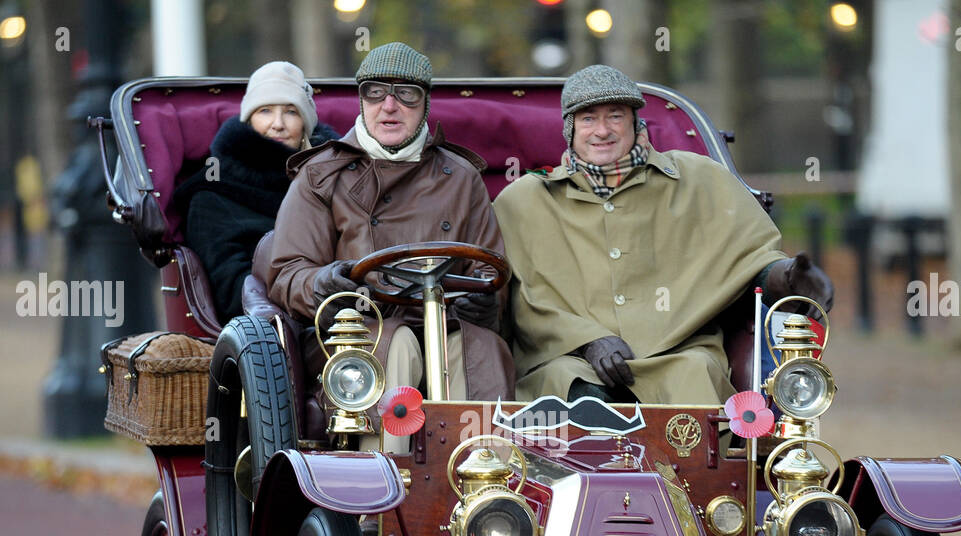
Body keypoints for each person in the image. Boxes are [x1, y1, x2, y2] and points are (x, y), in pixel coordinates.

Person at [493, 65, 834, 406]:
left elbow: (750, 258)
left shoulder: (698, 178)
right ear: (569, 129)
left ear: (636, 123)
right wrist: (587, 341)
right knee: (565, 387)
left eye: (615, 116)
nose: (602, 131)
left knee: (696, 371)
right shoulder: (524, 201)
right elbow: (519, 301)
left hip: (681, 353)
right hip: (570, 361)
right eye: (587, 119)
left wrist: (788, 277)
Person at [266, 41, 515, 428]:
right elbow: (287, 273)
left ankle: (484, 473)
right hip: (353, 329)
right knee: (392, 344)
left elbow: (489, 268)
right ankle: (381, 475)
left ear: (426, 104)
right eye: (375, 92)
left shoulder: (461, 176)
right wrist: (324, 283)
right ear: (361, 100)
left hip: (442, 321)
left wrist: (485, 303)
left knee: (481, 347)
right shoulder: (321, 173)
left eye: (407, 95)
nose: (389, 106)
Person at [174, 61, 337, 320]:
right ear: (249, 120)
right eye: (265, 111)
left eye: (292, 112)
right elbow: (232, 292)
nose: (278, 124)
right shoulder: (211, 194)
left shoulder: (335, 180)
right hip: (266, 332)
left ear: (306, 124)